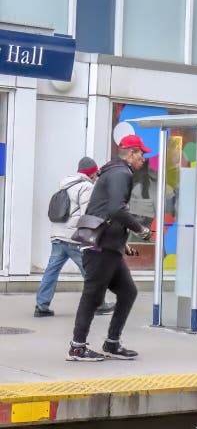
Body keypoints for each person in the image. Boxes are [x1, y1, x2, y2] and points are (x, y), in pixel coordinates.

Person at [67, 135, 152, 362]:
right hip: (100, 247)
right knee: (92, 296)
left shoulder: (114, 171)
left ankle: (112, 342)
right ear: (132, 152)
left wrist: (122, 243)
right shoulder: (121, 173)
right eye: (142, 154)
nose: (144, 159)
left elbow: (109, 209)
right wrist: (141, 229)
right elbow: (116, 209)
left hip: (109, 246)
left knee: (127, 292)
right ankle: (77, 347)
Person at [34, 158, 116, 317]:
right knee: (91, 272)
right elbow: (89, 212)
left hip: (58, 236)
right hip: (74, 239)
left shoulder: (66, 184)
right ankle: (99, 304)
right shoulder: (86, 187)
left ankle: (41, 306)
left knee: (51, 271)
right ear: (92, 173)